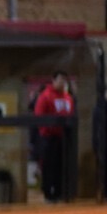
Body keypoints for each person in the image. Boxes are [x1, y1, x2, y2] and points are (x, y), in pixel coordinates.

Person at [33, 70, 76, 203]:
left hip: (63, 137)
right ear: (54, 80)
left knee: (60, 165)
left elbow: (71, 115)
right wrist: (47, 131)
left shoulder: (68, 97)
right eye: (60, 80)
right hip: (48, 137)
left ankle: (59, 192)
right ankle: (48, 193)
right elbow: (39, 116)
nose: (62, 83)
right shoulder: (45, 96)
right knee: (48, 166)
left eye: (64, 80)